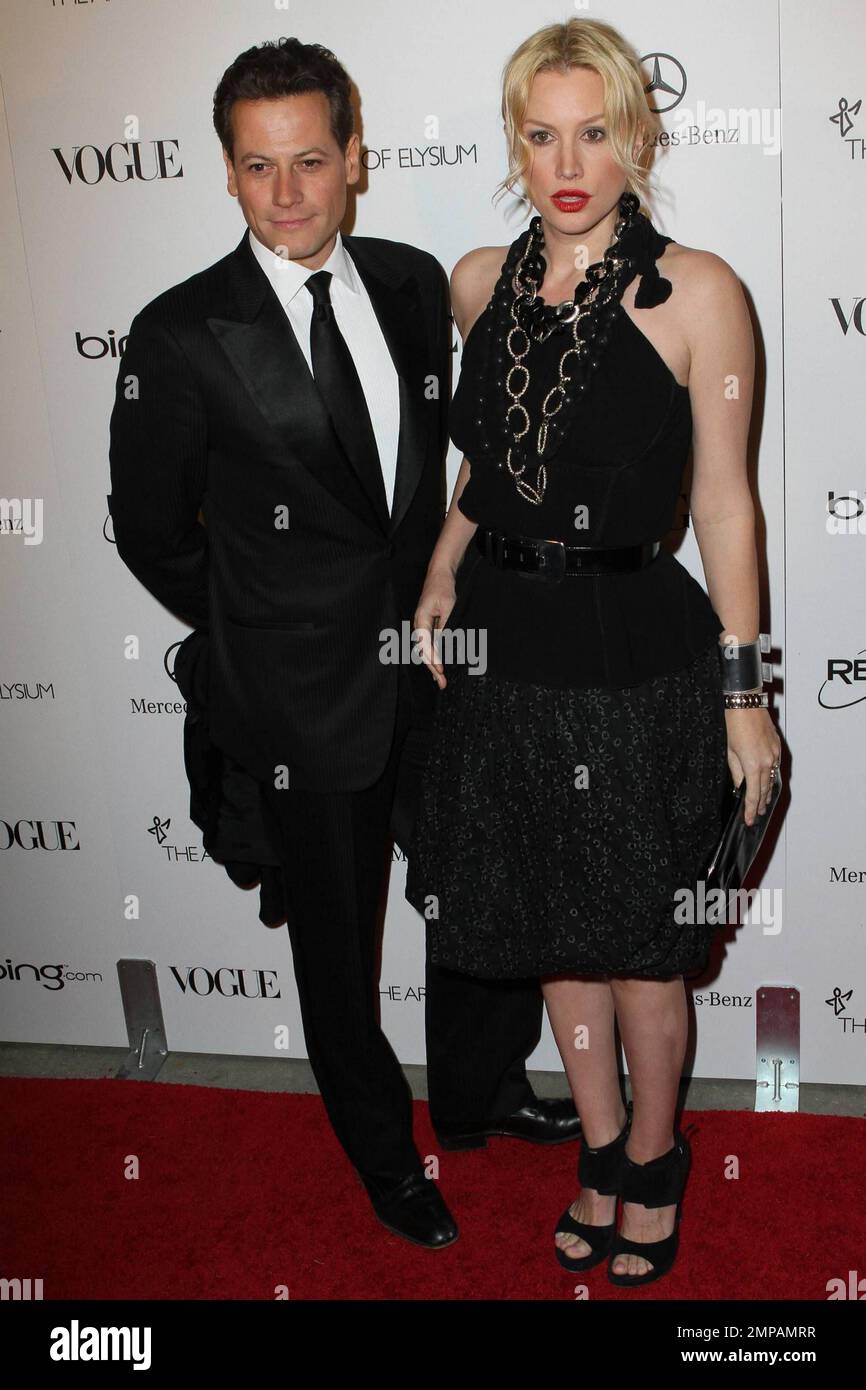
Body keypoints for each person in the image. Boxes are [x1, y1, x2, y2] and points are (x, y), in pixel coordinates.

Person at [108, 35, 579, 1253]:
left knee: (483, 894)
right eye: (257, 167)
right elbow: (151, 533)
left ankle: (479, 1089)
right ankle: (386, 1154)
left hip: (441, 665)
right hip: (299, 705)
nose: (286, 194)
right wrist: (264, 630)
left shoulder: (418, 284)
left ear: (355, 155)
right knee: (338, 957)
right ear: (226, 172)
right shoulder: (178, 335)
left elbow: (437, 476)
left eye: (310, 160)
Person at [406, 16, 782, 1285]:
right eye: (538, 132)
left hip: (634, 658)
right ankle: (601, 1147)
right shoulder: (477, 282)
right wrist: (443, 572)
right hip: (508, 656)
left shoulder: (698, 292)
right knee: (551, 936)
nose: (567, 161)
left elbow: (726, 500)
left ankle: (658, 1157)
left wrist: (746, 695)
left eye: (595, 132)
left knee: (635, 943)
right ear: (512, 141)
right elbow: (490, 465)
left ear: (636, 136)